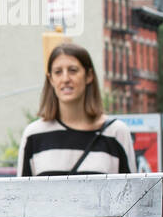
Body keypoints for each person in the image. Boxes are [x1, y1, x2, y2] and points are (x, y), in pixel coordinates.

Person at [17, 42, 136, 176]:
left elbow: (132, 189)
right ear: (51, 79)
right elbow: (21, 189)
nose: (65, 78)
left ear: (89, 76)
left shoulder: (116, 132)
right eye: (58, 72)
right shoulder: (33, 135)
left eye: (73, 70)